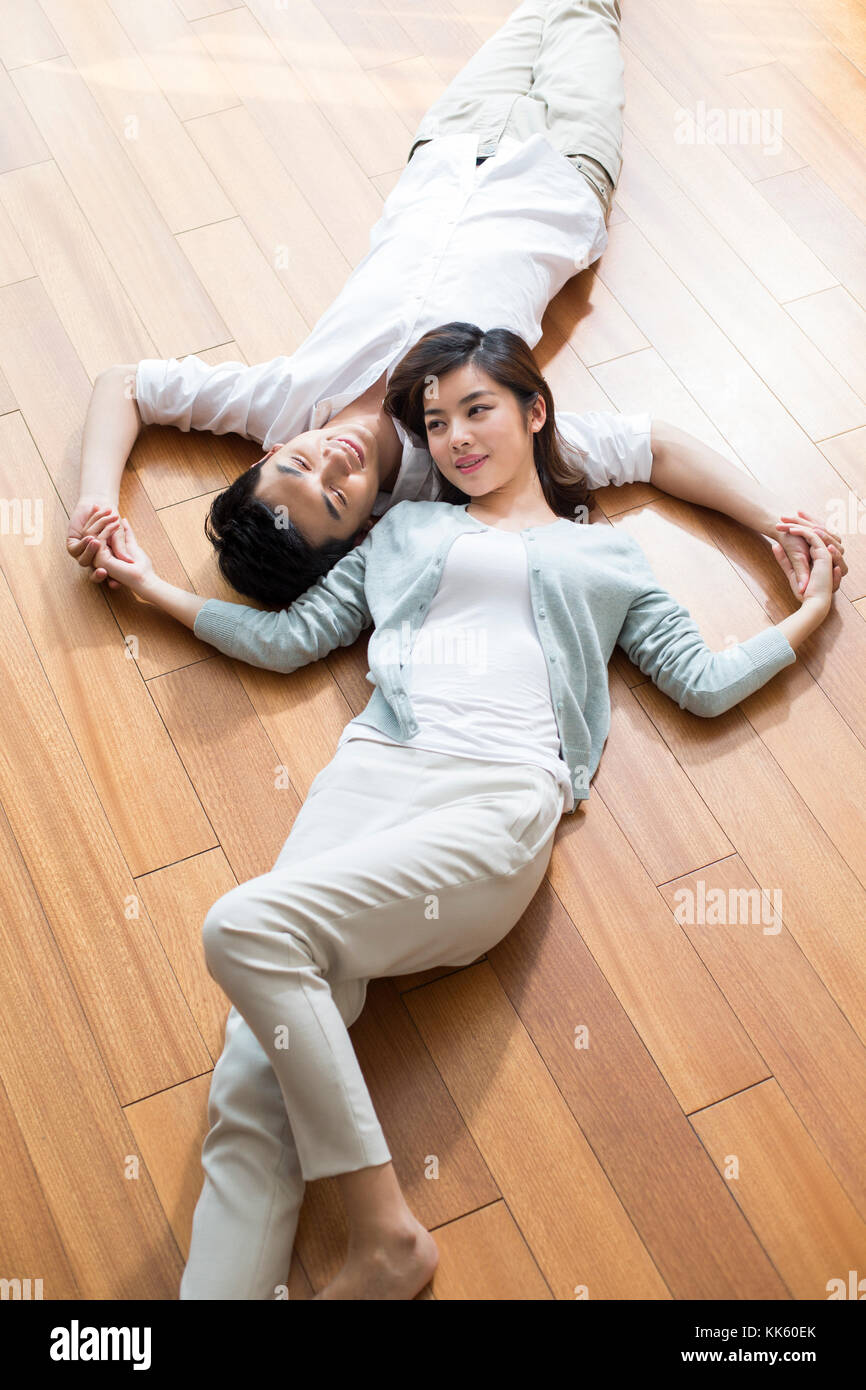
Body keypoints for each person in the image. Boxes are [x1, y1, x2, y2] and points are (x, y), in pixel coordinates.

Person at [79, 321, 836, 1300]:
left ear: (533, 411)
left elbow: (698, 681)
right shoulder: (403, 528)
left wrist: (804, 612)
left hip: (495, 797)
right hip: (366, 781)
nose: (455, 436)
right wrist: (150, 589)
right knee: (246, 1079)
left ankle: (386, 1235)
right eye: (436, 422)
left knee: (243, 927)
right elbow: (292, 637)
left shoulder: (607, 559)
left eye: (477, 408)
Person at [66, 0, 846, 607]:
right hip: (563, 171)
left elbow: (124, 384)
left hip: (449, 150)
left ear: (272, 453)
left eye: (300, 464)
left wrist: (97, 504)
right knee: (587, 10)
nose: (331, 460)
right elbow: (653, 448)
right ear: (364, 526)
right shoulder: (467, 460)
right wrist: (776, 522)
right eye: (335, 495)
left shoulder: (280, 405)